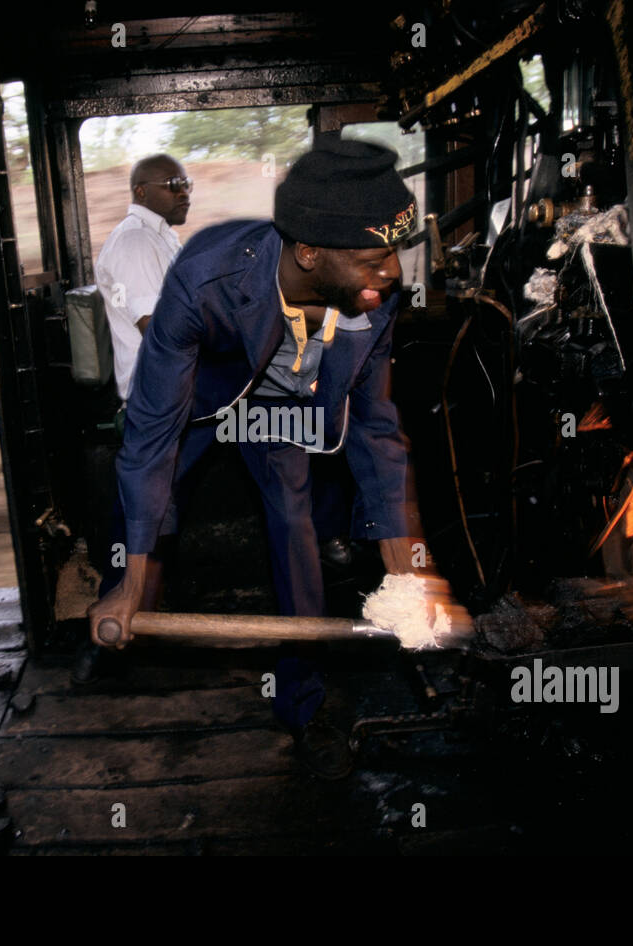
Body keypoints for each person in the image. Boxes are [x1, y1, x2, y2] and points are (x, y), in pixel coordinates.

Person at [87, 138, 463, 778]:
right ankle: (118, 603)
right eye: (376, 258)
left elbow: (377, 433)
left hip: (279, 397)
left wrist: (409, 574)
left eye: (394, 255)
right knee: (147, 500)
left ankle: (302, 700)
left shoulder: (372, 294)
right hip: (204, 392)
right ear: (310, 254)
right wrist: (133, 578)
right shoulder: (203, 280)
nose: (394, 272)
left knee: (295, 527)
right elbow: (150, 436)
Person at [94, 154, 192, 402]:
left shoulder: (160, 237)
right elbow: (157, 330)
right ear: (141, 192)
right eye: (173, 185)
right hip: (161, 397)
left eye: (186, 184)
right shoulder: (135, 241)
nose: (184, 193)